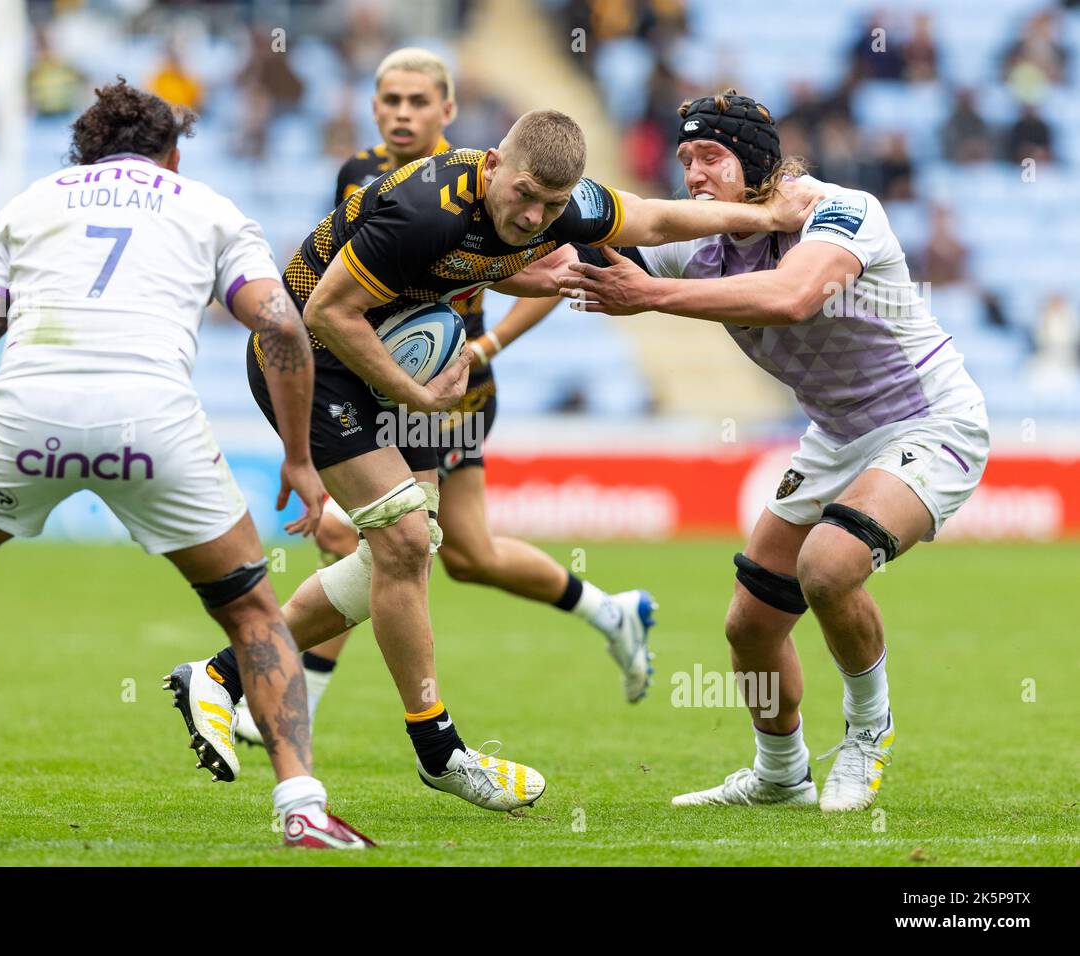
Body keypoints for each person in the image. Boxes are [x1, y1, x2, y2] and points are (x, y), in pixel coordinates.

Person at [168, 105, 821, 813]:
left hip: (396, 349)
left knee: (403, 552)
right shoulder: (424, 210)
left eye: (553, 206)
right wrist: (416, 395)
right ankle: (438, 749)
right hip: (309, 357)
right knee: (405, 541)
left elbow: (655, 220)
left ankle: (221, 675)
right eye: (525, 195)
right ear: (492, 166)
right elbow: (327, 312)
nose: (535, 216)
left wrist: (762, 216)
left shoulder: (558, 205)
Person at [0, 80, 372, 850]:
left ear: (81, 154)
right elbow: (282, 327)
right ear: (173, 156)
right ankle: (302, 808)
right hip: (151, 421)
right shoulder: (210, 209)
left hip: (28, 411)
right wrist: (299, 459)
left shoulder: (26, 206)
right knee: (252, 613)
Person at [531, 89, 988, 812]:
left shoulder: (841, 210)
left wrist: (651, 296)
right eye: (685, 158)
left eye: (711, 155)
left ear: (756, 162)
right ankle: (781, 775)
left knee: (828, 567)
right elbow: (565, 259)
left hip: (929, 421)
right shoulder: (697, 243)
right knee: (750, 626)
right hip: (836, 436)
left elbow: (792, 297)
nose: (694, 172)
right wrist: (462, 256)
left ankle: (869, 732)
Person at [231, 48, 659, 756]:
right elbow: (345, 290)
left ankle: (276, 687)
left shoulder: (502, 184)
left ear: (448, 111)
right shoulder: (362, 175)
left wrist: (483, 350)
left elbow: (553, 272)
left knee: (431, 546)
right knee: (429, 548)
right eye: (390, 100)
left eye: (418, 101)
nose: (403, 114)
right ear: (373, 106)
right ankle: (608, 612)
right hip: (378, 375)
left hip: (451, 385)